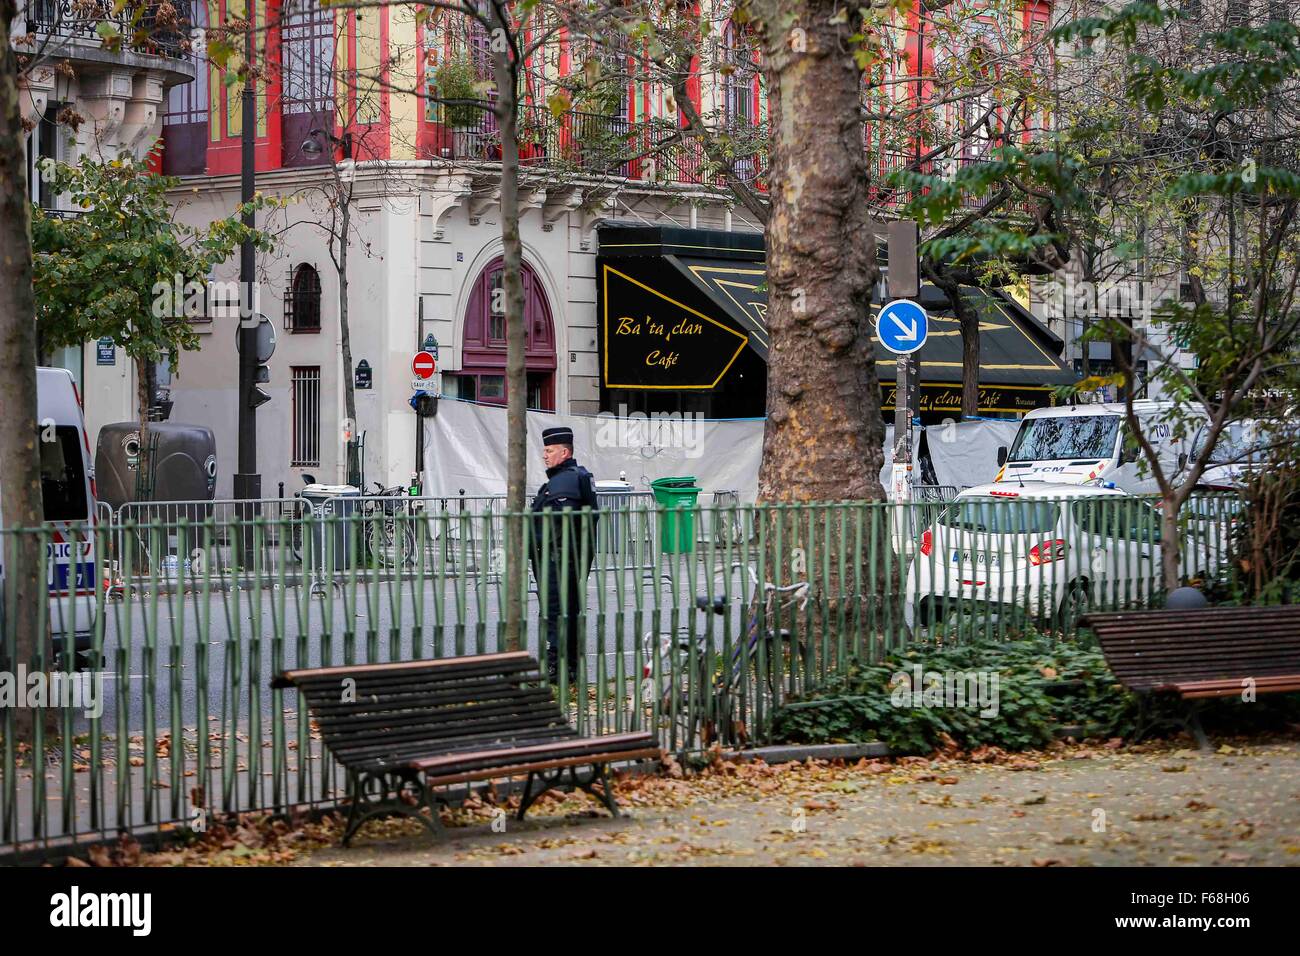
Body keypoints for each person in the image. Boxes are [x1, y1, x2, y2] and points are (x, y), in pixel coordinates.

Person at [530, 427, 599, 683]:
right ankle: (566, 669)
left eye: (549, 450)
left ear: (564, 451)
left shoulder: (566, 481)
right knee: (564, 612)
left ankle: (557, 669)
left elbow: (560, 527)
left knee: (555, 612)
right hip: (562, 560)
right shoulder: (567, 477)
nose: (544, 456)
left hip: (557, 560)